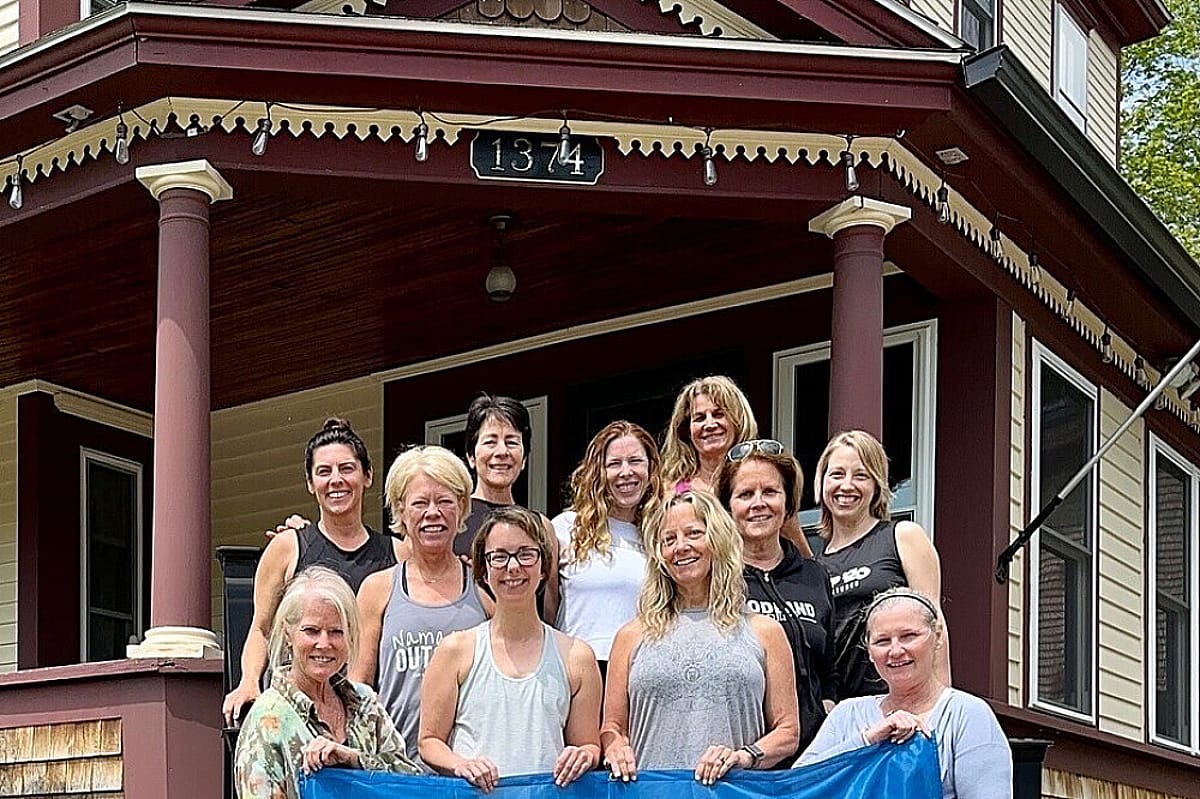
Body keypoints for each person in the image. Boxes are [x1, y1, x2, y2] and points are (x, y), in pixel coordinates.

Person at [601, 490, 799, 783]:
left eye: (693, 533)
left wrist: (743, 756)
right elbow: (613, 726)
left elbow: (788, 732)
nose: (680, 547)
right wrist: (615, 746)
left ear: (718, 541)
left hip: (732, 791)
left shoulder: (765, 631)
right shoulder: (631, 636)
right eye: (669, 539)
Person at [224, 419, 404, 725]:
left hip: (372, 716)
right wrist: (249, 682)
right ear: (310, 483)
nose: (336, 480)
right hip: (297, 714)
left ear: (368, 476)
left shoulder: (399, 553)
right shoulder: (287, 547)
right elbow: (261, 628)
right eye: (324, 471)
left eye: (347, 469)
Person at [419, 506, 603, 792]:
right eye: (500, 557)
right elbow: (429, 741)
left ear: (544, 567)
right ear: (484, 569)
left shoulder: (577, 657)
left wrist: (585, 755)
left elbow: (587, 743)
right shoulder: (456, 650)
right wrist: (461, 764)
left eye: (526, 554)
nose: (513, 567)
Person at [797, 588, 1011, 799]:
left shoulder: (966, 714)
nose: (896, 651)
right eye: (882, 641)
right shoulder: (847, 714)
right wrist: (867, 740)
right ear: (869, 651)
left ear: (937, 637)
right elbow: (797, 785)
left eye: (909, 636)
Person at [351, 445, 491, 766]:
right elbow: (358, 686)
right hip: (397, 769)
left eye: (444, 501)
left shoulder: (485, 587)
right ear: (400, 511)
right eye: (420, 503)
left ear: (462, 508)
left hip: (470, 773)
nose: (433, 513)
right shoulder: (378, 589)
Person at [234, 566, 419, 799]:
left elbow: (411, 783)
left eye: (336, 632)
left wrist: (353, 759)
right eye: (311, 631)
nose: (324, 643)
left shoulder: (365, 703)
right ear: (288, 634)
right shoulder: (268, 720)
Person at [715, 439, 836, 754]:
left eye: (770, 492)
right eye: (745, 495)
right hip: (738, 759)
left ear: (788, 503)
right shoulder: (712, 579)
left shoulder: (814, 576)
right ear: (728, 507)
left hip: (813, 757)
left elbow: (830, 668)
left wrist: (828, 703)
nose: (758, 503)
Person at [813, 430, 951, 701]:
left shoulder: (902, 536)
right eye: (837, 474)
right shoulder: (814, 567)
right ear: (821, 482)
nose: (847, 485)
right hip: (841, 714)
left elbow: (936, 627)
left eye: (861, 475)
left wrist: (939, 707)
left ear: (876, 485)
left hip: (902, 704)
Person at [552, 421, 662, 679]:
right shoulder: (566, 528)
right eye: (614, 463)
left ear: (651, 469)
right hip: (575, 671)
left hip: (640, 672)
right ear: (597, 471)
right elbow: (547, 605)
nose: (626, 472)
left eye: (635, 461)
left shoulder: (659, 535)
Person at [454, 393, 560, 621]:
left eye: (512, 442)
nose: (502, 452)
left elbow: (550, 608)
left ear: (523, 459)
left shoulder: (541, 526)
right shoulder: (453, 517)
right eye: (490, 441)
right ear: (471, 455)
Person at [660, 376, 757, 494]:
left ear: (738, 422)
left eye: (718, 414)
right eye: (700, 418)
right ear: (686, 430)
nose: (709, 425)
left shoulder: (759, 480)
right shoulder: (669, 492)